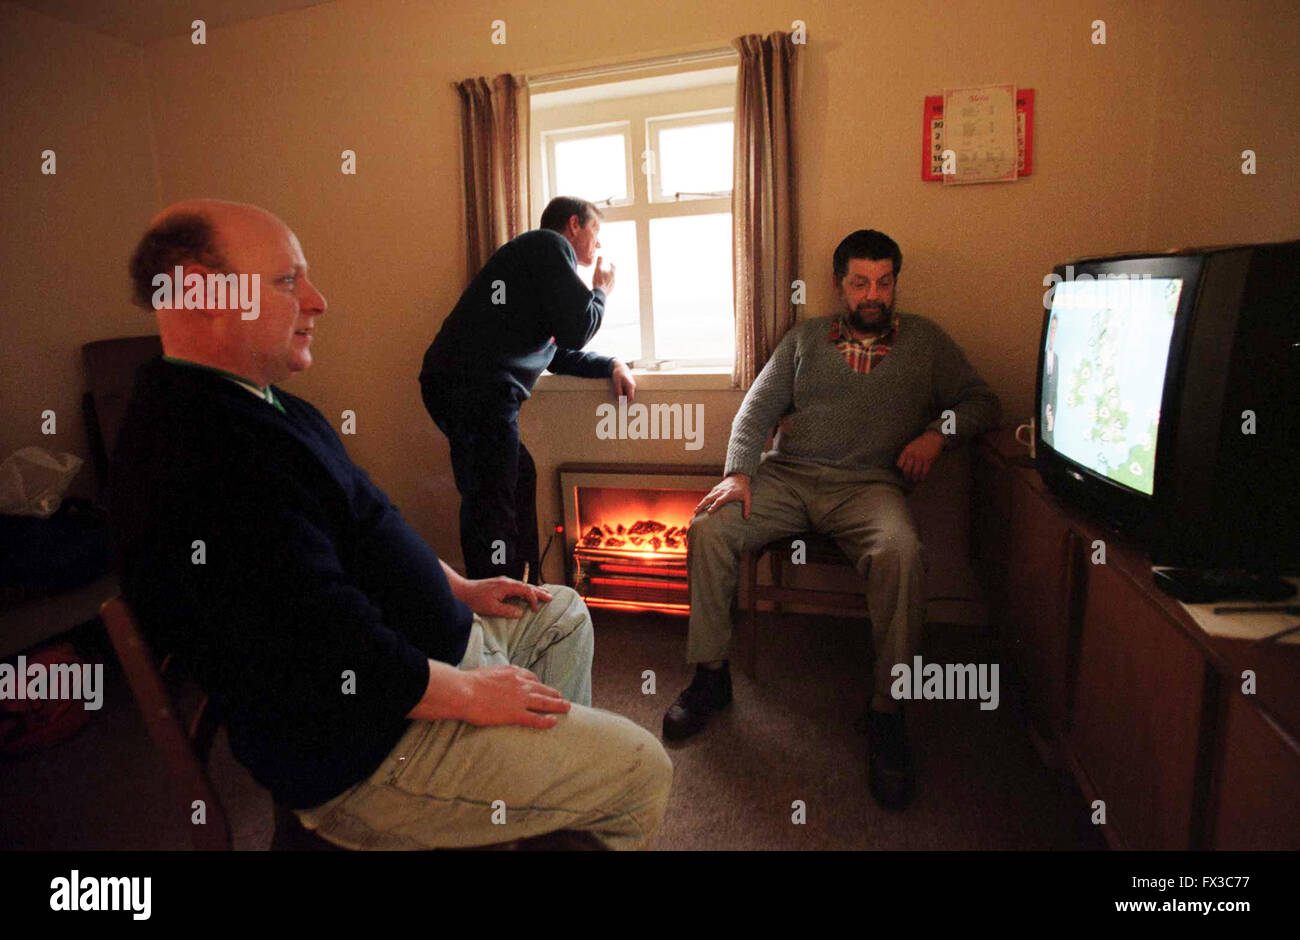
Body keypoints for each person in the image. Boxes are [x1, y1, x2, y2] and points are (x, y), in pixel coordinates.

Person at [111, 199, 671, 849]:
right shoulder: (199, 456)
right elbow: (327, 652)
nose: (317, 300)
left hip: (436, 653)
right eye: (288, 280)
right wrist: (466, 695)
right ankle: (534, 790)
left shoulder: (268, 407)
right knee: (640, 772)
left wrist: (462, 589)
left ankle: (524, 799)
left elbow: (370, 527)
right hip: (381, 746)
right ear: (202, 293)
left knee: (564, 612)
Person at [661, 229, 1001, 811]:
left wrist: (936, 435)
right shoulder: (804, 339)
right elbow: (755, 411)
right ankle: (711, 675)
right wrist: (739, 472)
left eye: (884, 281)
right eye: (861, 282)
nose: (873, 293)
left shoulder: (926, 342)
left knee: (902, 552)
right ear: (840, 284)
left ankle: (887, 709)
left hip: (868, 487)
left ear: (895, 283)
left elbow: (981, 402)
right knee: (710, 526)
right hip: (788, 477)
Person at [420, 197, 635, 584]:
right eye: (596, 232)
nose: (598, 245)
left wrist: (611, 364)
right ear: (573, 225)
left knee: (514, 478)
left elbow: (556, 352)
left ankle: (521, 581)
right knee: (492, 502)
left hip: (467, 388)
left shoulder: (537, 275)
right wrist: (601, 290)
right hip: (474, 388)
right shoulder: (548, 245)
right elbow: (578, 329)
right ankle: (500, 600)